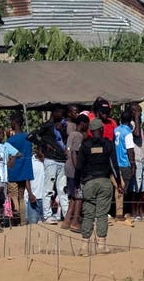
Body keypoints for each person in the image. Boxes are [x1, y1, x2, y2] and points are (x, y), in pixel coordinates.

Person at [75, 118, 121, 253]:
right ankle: (101, 246)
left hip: (88, 183)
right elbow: (114, 165)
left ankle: (84, 247)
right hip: (105, 182)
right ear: (101, 130)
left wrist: (77, 184)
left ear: (90, 131)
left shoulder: (85, 145)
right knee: (102, 214)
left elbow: (79, 167)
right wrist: (118, 183)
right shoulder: (108, 144)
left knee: (88, 214)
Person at [36, 106, 69, 223]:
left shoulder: (63, 126)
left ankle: (67, 215)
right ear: (54, 112)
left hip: (62, 160)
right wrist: (44, 146)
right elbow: (31, 136)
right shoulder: (46, 126)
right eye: (61, 112)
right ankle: (47, 215)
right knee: (49, 189)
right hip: (50, 160)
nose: (62, 115)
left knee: (63, 189)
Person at [5, 114, 34, 225]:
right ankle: (22, 221)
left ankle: (15, 221)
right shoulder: (28, 137)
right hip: (25, 170)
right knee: (21, 196)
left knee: (14, 196)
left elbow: (8, 155)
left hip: (13, 170)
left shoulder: (10, 140)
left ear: (14, 123)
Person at [63, 114, 88, 232]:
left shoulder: (71, 134)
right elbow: (74, 154)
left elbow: (67, 150)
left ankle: (67, 220)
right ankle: (75, 221)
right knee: (79, 196)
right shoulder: (78, 136)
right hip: (74, 169)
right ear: (83, 124)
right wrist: (79, 170)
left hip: (67, 167)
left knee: (73, 195)